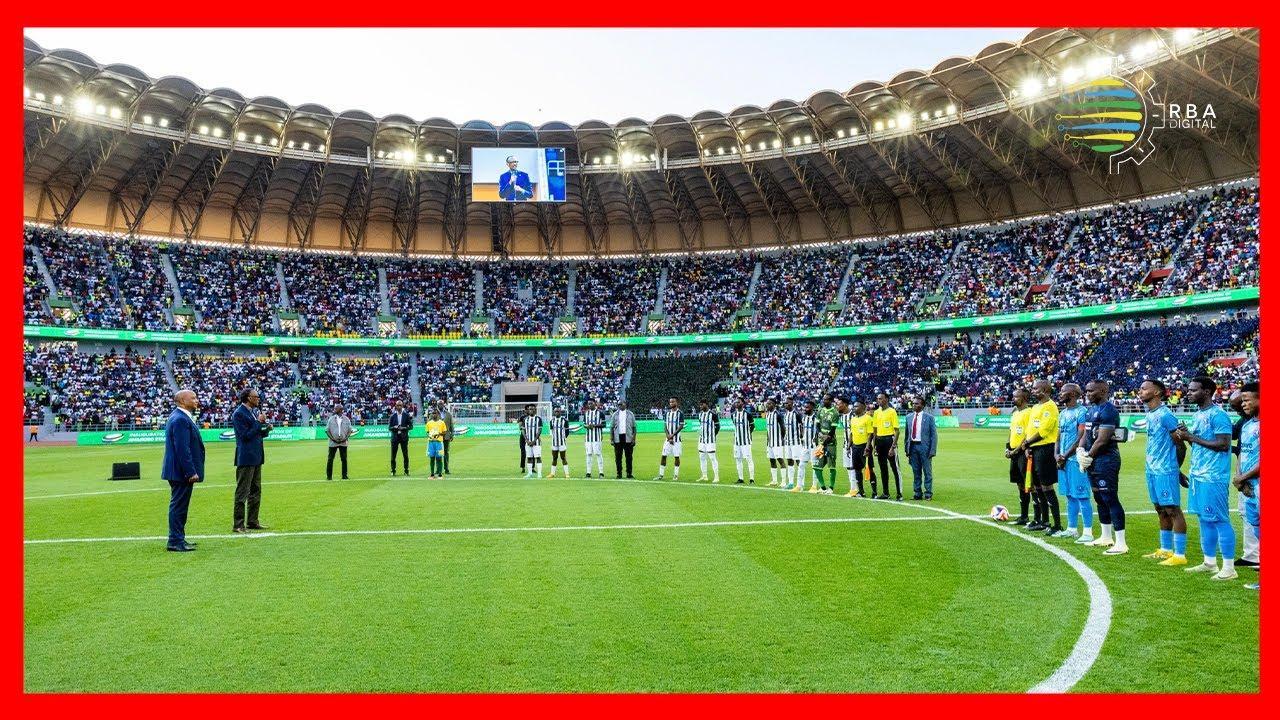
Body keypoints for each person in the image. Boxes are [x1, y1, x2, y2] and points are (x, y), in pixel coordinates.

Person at [1175, 376, 1237, 580]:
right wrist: (1188, 435)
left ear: (1207, 392)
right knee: (1204, 519)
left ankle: (1229, 568)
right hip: (1199, 475)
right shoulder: (1199, 414)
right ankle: (1209, 562)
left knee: (1219, 519)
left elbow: (1223, 445)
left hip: (1213, 477)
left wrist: (1191, 437)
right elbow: (1202, 446)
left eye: (1193, 390)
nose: (1188, 393)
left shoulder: (1218, 415)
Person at [1137, 380, 1189, 565]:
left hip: (1165, 470)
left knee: (1173, 509)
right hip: (1152, 470)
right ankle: (1166, 550)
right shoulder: (1151, 413)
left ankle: (1180, 555)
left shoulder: (1165, 415)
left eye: (1144, 388)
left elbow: (1180, 444)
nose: (1140, 391)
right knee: (1160, 509)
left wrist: (1176, 468)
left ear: (1157, 392)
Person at [1079, 380, 1128, 555]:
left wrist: (1088, 457)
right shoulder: (1091, 410)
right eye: (1086, 390)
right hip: (1093, 460)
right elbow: (1086, 434)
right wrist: (1080, 450)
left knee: (1110, 498)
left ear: (1102, 390)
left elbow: (1102, 439)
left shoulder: (1109, 411)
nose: (1087, 393)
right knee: (1099, 498)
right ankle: (1106, 537)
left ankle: (1121, 542)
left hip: (1106, 460)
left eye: (1091, 391)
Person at [1019, 379, 1065, 536]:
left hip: (1045, 449)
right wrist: (1028, 446)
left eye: (1036, 388)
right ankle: (1043, 521)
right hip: (1034, 449)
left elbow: (1044, 431)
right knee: (1037, 487)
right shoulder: (1036, 407)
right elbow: (1031, 429)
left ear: (1045, 390)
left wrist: (1027, 443)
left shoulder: (1050, 407)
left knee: (1047, 487)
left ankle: (1057, 524)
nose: (1033, 390)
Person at [161, 389, 204, 552]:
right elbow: (182, 448)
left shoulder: (180, 417)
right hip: (180, 472)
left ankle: (179, 537)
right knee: (179, 506)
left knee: (180, 506)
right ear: (181, 401)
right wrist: (190, 471)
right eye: (192, 398)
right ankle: (175, 541)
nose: (196, 400)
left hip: (179, 471)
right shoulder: (180, 419)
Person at [1055, 383, 1094, 544]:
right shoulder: (1063, 413)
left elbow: (1081, 437)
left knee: (1082, 495)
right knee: (1070, 495)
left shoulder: (1082, 412)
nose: (1060, 394)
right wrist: (1057, 454)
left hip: (1076, 460)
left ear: (1072, 394)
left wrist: (1065, 455)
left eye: (1063, 392)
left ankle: (1088, 532)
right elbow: (1057, 436)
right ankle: (1071, 529)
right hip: (1063, 460)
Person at [231, 387, 272, 533]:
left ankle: (253, 521)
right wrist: (258, 422)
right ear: (248, 398)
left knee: (256, 490)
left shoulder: (250, 413)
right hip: (246, 457)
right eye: (256, 397)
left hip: (255, 457)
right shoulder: (239, 414)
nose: (258, 399)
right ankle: (238, 524)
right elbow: (245, 436)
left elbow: (255, 435)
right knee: (242, 492)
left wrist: (265, 429)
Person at [1233, 381, 1259, 590]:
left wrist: (1243, 478)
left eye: (1247, 400)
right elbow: (1244, 452)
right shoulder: (1248, 424)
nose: (1243, 404)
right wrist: (1239, 477)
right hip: (1249, 486)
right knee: (1258, 531)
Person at [1005, 389, 1033, 526]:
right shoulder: (1015, 413)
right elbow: (1011, 431)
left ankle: (1037, 517)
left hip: (1023, 452)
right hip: (1013, 453)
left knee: (1029, 484)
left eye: (1016, 396)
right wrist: (1007, 447)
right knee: (1019, 484)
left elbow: (1028, 435)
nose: (1013, 398)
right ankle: (1023, 516)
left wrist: (1015, 450)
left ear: (1023, 398)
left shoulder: (1029, 413)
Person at [905, 396, 937, 501]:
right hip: (913, 447)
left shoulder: (929, 418)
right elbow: (907, 435)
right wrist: (907, 449)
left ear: (922, 405)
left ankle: (928, 493)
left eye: (917, 403)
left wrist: (932, 450)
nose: (914, 405)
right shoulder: (908, 417)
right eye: (913, 403)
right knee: (916, 471)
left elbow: (934, 435)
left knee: (927, 471)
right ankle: (917, 493)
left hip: (925, 447)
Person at [871, 393, 902, 500]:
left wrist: (893, 447)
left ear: (886, 399)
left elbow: (897, 431)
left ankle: (899, 493)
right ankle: (885, 493)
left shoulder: (892, 411)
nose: (878, 400)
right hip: (879, 441)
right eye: (877, 399)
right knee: (883, 468)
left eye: (881, 398)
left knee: (895, 468)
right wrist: (874, 446)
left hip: (889, 440)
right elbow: (874, 431)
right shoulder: (876, 412)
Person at [843, 398, 876, 498]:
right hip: (855, 447)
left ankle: (874, 492)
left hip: (865, 447)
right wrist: (849, 446)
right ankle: (861, 491)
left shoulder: (868, 418)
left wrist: (867, 448)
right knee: (857, 470)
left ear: (862, 407)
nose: (854, 408)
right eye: (854, 406)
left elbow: (870, 434)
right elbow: (851, 433)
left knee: (870, 469)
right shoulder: (853, 419)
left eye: (856, 406)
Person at [813, 394, 841, 495]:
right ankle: (823, 487)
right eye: (823, 399)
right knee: (816, 466)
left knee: (831, 466)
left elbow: (832, 431)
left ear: (831, 401)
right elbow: (816, 425)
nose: (824, 401)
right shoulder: (820, 410)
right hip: (821, 443)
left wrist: (825, 440)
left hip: (831, 443)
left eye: (826, 400)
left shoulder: (835, 413)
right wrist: (820, 434)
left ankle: (831, 488)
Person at [654, 396, 684, 481]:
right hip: (668, 440)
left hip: (677, 440)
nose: (671, 403)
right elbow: (665, 426)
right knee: (663, 456)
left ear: (676, 403)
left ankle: (675, 475)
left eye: (673, 402)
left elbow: (681, 426)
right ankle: (660, 475)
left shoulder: (680, 413)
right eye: (670, 402)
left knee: (676, 457)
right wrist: (668, 436)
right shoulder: (667, 413)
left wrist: (672, 435)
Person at [730, 398, 756, 484]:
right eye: (736, 402)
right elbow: (735, 426)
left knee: (749, 459)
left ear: (743, 403)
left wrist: (747, 434)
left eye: (738, 402)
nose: (736, 403)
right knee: (738, 459)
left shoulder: (748, 414)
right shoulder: (733, 414)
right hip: (737, 442)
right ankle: (740, 478)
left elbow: (752, 426)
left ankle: (751, 479)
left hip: (746, 442)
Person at [695, 399, 720, 483]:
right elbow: (701, 425)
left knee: (712, 458)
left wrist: (713, 435)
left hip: (710, 440)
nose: (701, 406)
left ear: (706, 404)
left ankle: (716, 477)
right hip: (702, 440)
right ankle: (704, 476)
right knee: (702, 457)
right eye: (700, 405)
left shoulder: (713, 414)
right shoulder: (700, 414)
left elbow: (718, 426)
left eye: (702, 404)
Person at [325, 404, 352, 481]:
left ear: (340, 410)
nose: (334, 409)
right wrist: (333, 439)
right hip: (333, 442)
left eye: (336, 408)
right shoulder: (331, 419)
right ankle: (329, 476)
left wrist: (345, 439)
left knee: (344, 459)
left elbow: (350, 431)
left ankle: (344, 476)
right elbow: (327, 431)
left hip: (343, 442)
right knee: (330, 459)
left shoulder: (347, 419)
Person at [610, 400, 637, 479]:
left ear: (625, 404)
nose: (619, 405)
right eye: (618, 404)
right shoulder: (615, 414)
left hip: (628, 437)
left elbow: (634, 428)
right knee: (618, 457)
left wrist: (634, 439)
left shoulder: (630, 414)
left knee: (629, 457)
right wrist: (611, 439)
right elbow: (611, 428)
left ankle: (629, 473)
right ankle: (619, 474)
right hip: (617, 438)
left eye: (621, 404)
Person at [763, 399, 786, 487]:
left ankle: (783, 481)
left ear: (773, 404)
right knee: (772, 461)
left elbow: (783, 428)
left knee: (780, 460)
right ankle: (774, 481)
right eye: (767, 403)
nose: (767, 405)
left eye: (769, 404)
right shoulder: (767, 414)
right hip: (770, 443)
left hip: (777, 442)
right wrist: (767, 440)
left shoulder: (778, 414)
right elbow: (768, 430)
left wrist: (781, 439)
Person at [798, 400, 819, 493]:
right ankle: (799, 486)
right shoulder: (804, 418)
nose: (805, 409)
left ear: (812, 408)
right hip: (805, 445)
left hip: (814, 446)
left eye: (807, 407)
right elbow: (802, 428)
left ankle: (814, 486)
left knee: (814, 466)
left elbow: (820, 430)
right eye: (805, 407)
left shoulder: (816, 418)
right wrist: (802, 437)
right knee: (801, 465)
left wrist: (818, 440)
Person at [582, 399, 606, 478]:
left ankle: (601, 472)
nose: (590, 405)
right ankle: (588, 472)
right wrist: (587, 426)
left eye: (591, 403)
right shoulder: (586, 413)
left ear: (595, 404)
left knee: (598, 454)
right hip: (588, 438)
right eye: (589, 404)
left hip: (597, 437)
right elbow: (584, 424)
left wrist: (594, 426)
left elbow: (604, 424)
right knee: (588, 454)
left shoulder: (600, 413)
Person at [519, 404, 544, 479]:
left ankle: (539, 474)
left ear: (535, 410)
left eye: (533, 409)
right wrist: (526, 440)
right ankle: (530, 473)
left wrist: (534, 440)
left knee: (538, 457)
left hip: (536, 443)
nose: (531, 410)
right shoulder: (525, 419)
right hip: (528, 442)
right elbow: (523, 430)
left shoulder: (538, 419)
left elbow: (539, 430)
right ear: (528, 410)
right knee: (529, 457)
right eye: (530, 409)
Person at [389, 400, 413, 476]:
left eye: (400, 405)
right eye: (397, 405)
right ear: (395, 406)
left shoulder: (406, 415)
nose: (399, 407)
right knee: (393, 455)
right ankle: (393, 470)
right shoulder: (392, 416)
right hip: (395, 437)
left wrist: (404, 428)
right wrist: (394, 427)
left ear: (402, 406)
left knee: (405, 455)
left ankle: (406, 470)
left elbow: (411, 426)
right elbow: (389, 427)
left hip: (404, 437)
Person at [547, 407, 570, 479]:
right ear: (554, 412)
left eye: (558, 411)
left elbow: (567, 432)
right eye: (555, 411)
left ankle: (567, 474)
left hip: (562, 443)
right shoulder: (552, 421)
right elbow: (551, 431)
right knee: (554, 458)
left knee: (563, 458)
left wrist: (563, 438)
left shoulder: (564, 420)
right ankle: (552, 473)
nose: (557, 412)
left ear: (560, 412)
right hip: (554, 443)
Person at [426, 408, 448, 479]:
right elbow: (427, 432)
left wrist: (438, 434)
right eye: (433, 413)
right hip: (431, 443)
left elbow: (444, 432)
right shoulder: (429, 423)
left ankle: (440, 474)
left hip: (439, 443)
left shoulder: (442, 423)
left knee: (439, 458)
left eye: (435, 413)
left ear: (438, 414)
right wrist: (431, 435)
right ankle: (432, 474)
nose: (434, 414)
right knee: (431, 458)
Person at [437, 399, 455, 475]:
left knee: (446, 453)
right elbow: (430, 423)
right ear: (437, 405)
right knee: (438, 453)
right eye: (439, 404)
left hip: (446, 436)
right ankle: (438, 469)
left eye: (441, 404)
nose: (440, 405)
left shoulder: (448, 414)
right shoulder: (434, 414)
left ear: (444, 404)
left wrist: (452, 434)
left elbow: (451, 425)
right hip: (437, 437)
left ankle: (446, 468)